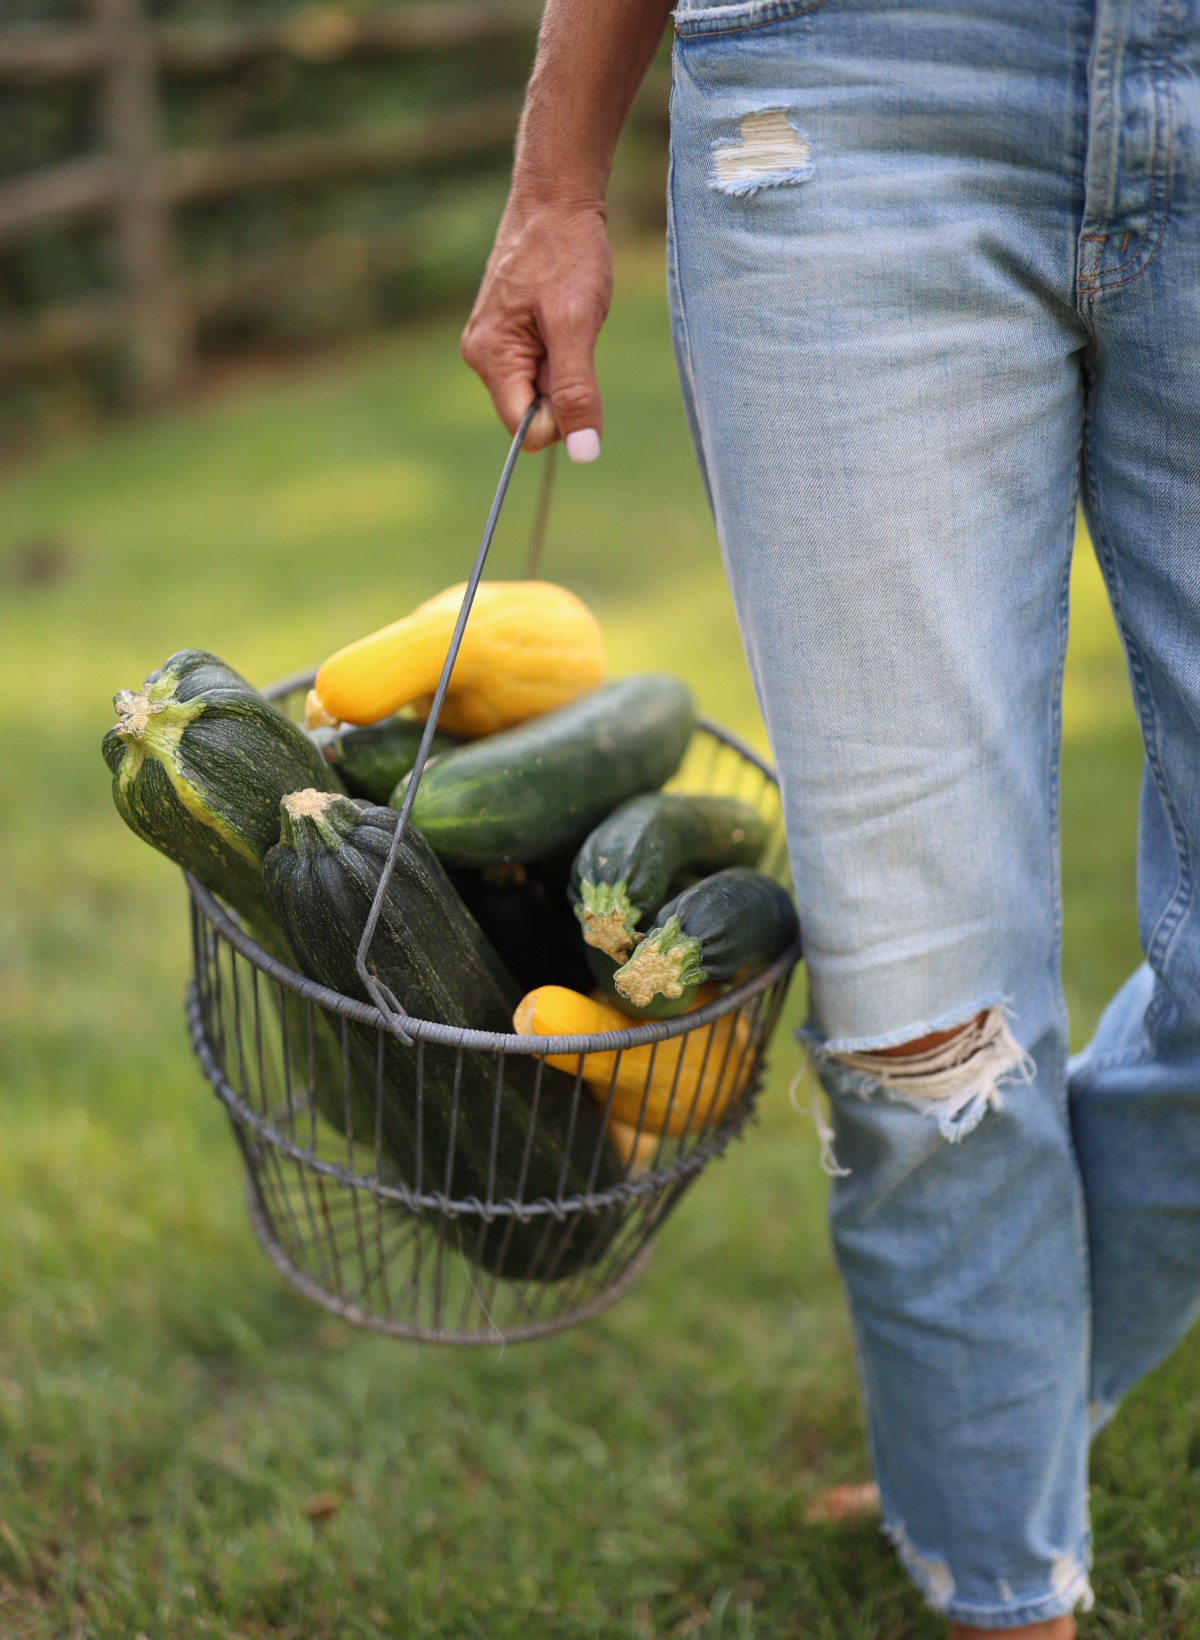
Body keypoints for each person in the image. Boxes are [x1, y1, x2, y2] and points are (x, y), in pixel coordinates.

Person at [461, 0, 1200, 1633]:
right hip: (856, 84)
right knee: (928, 1002)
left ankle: (1001, 1398)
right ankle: (1005, 1567)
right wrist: (559, 177)